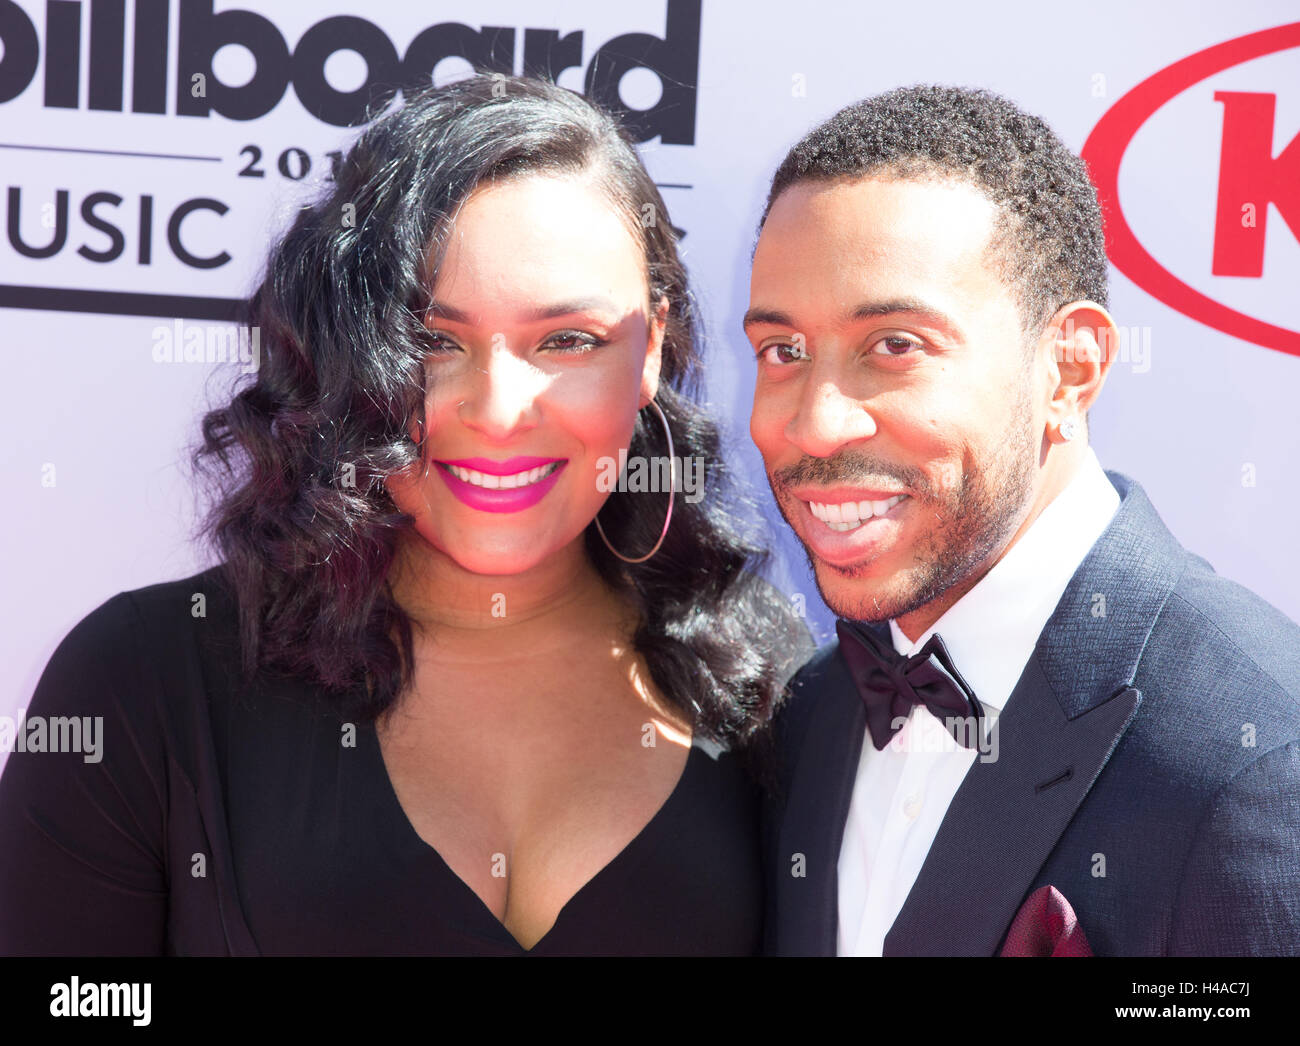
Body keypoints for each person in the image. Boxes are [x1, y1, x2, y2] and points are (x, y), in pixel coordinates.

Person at [0, 75, 810, 956]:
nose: (500, 411)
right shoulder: (144, 679)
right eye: (432, 341)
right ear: (349, 352)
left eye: (567, 340)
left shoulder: (768, 675)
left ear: (650, 347)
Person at [746, 84, 1300, 956]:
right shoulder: (812, 711)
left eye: (895, 345)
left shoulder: (1258, 759)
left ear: (1071, 370)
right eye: (782, 352)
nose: (814, 424)